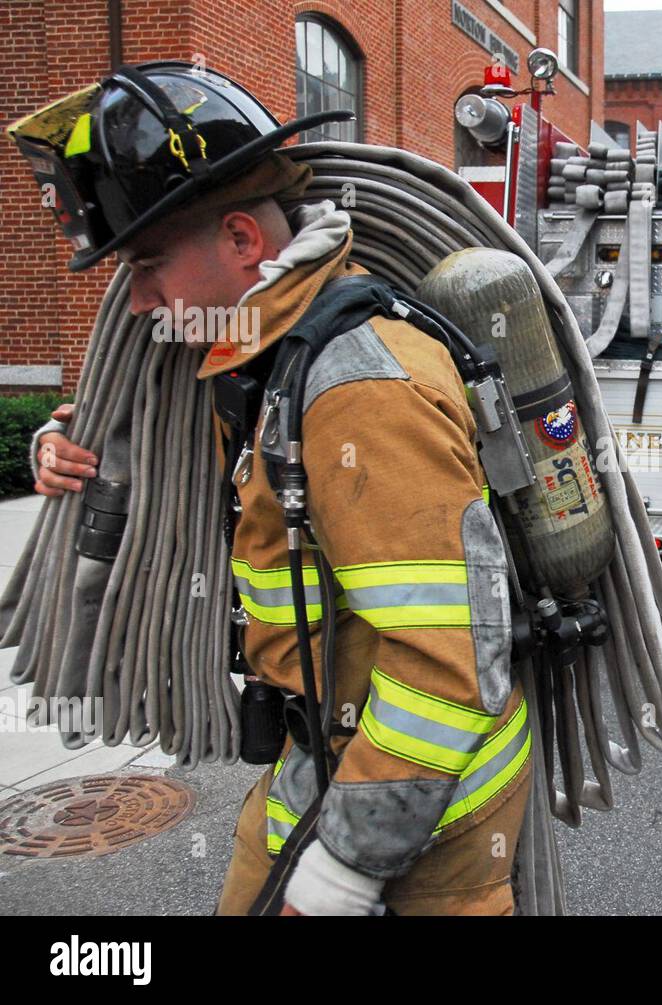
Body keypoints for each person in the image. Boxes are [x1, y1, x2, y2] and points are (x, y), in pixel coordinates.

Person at [15, 62, 531, 916]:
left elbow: (448, 664)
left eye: (146, 264)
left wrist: (344, 872)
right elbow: (175, 451)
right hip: (325, 760)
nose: (135, 299)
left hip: (429, 809)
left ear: (245, 242)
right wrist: (68, 443)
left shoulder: (357, 389)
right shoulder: (259, 360)